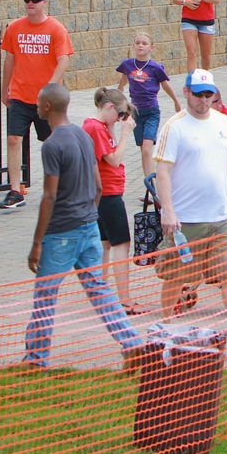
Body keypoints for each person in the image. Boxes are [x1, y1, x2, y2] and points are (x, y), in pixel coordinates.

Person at [23, 84, 144, 370]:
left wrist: (37, 242)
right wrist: (90, 213)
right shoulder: (82, 135)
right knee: (99, 289)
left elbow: (49, 196)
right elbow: (99, 185)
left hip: (61, 231)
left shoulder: (53, 144)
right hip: (89, 225)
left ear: (48, 107)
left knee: (46, 293)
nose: (37, 107)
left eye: (39, 102)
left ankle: (36, 359)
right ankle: (132, 344)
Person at [154, 70, 227, 362]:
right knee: (177, 279)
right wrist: (168, 211)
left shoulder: (223, 122)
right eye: (198, 94)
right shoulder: (174, 127)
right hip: (186, 221)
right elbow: (162, 171)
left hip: (221, 220)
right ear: (186, 92)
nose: (203, 100)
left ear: (214, 95)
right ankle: (161, 331)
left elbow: (226, 166)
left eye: (208, 95)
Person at [0, 0, 74, 210]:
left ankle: (59, 187)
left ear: (44, 2)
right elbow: (10, 59)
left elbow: (64, 59)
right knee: (14, 139)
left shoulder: (55, 29)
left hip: (46, 100)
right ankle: (15, 190)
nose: (30, 3)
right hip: (21, 94)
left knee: (51, 142)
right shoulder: (15, 28)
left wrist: (51, 86)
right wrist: (5, 89)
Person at [84, 87, 146, 315]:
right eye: (120, 114)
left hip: (105, 193)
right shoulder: (95, 128)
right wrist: (125, 134)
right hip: (107, 194)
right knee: (121, 244)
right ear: (110, 108)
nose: (121, 120)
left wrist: (112, 127)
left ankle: (102, 294)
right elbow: (113, 159)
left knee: (105, 244)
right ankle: (125, 298)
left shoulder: (97, 127)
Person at [117, 31, 181, 186]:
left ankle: (155, 185)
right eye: (138, 42)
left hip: (151, 111)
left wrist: (176, 102)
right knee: (143, 150)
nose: (140, 45)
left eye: (144, 43)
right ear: (133, 45)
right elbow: (123, 82)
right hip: (135, 112)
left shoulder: (155, 67)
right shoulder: (128, 64)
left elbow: (166, 85)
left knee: (147, 149)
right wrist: (119, 99)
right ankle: (149, 186)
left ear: (151, 48)